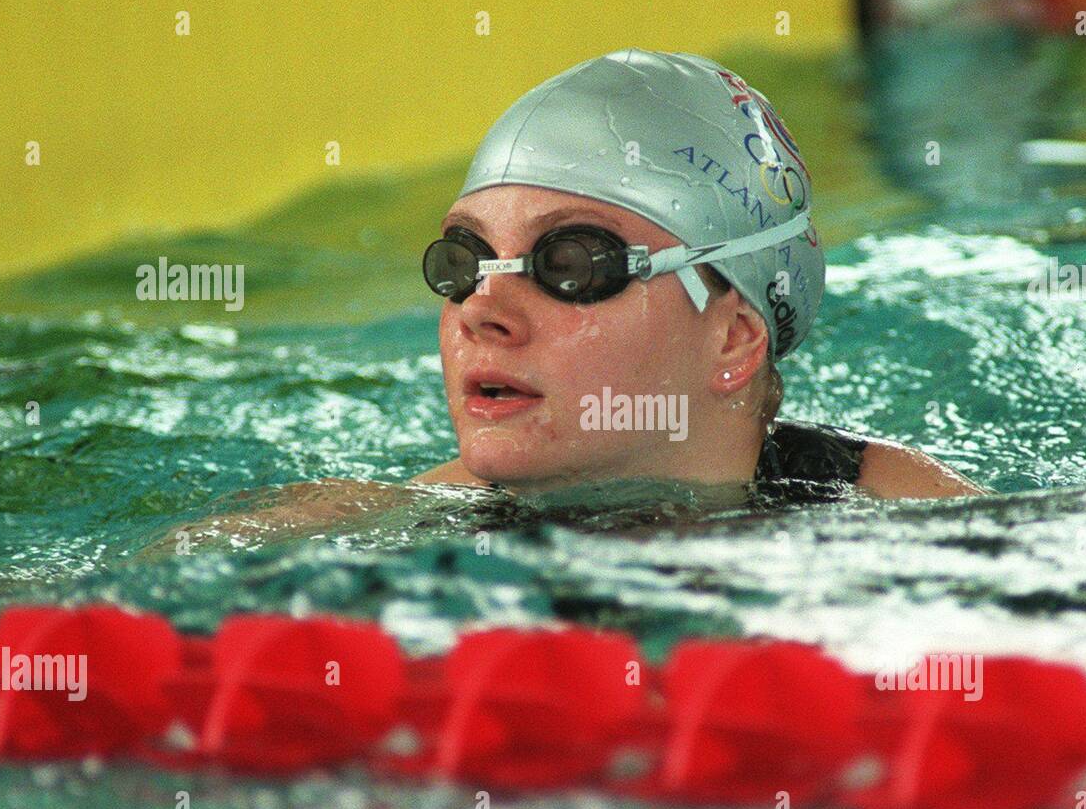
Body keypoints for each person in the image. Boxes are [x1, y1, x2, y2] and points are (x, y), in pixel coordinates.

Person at [415, 48, 984, 501]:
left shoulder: (910, 518)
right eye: (466, 263)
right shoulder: (398, 528)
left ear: (733, 337)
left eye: (572, 266)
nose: (481, 311)